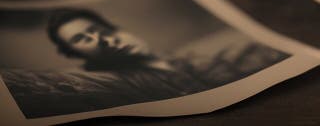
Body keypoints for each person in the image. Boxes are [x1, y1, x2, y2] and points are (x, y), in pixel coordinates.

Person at [0, 8, 288, 118]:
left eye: (103, 31)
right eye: (84, 39)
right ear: (79, 58)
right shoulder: (118, 83)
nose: (104, 40)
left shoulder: (196, 57)